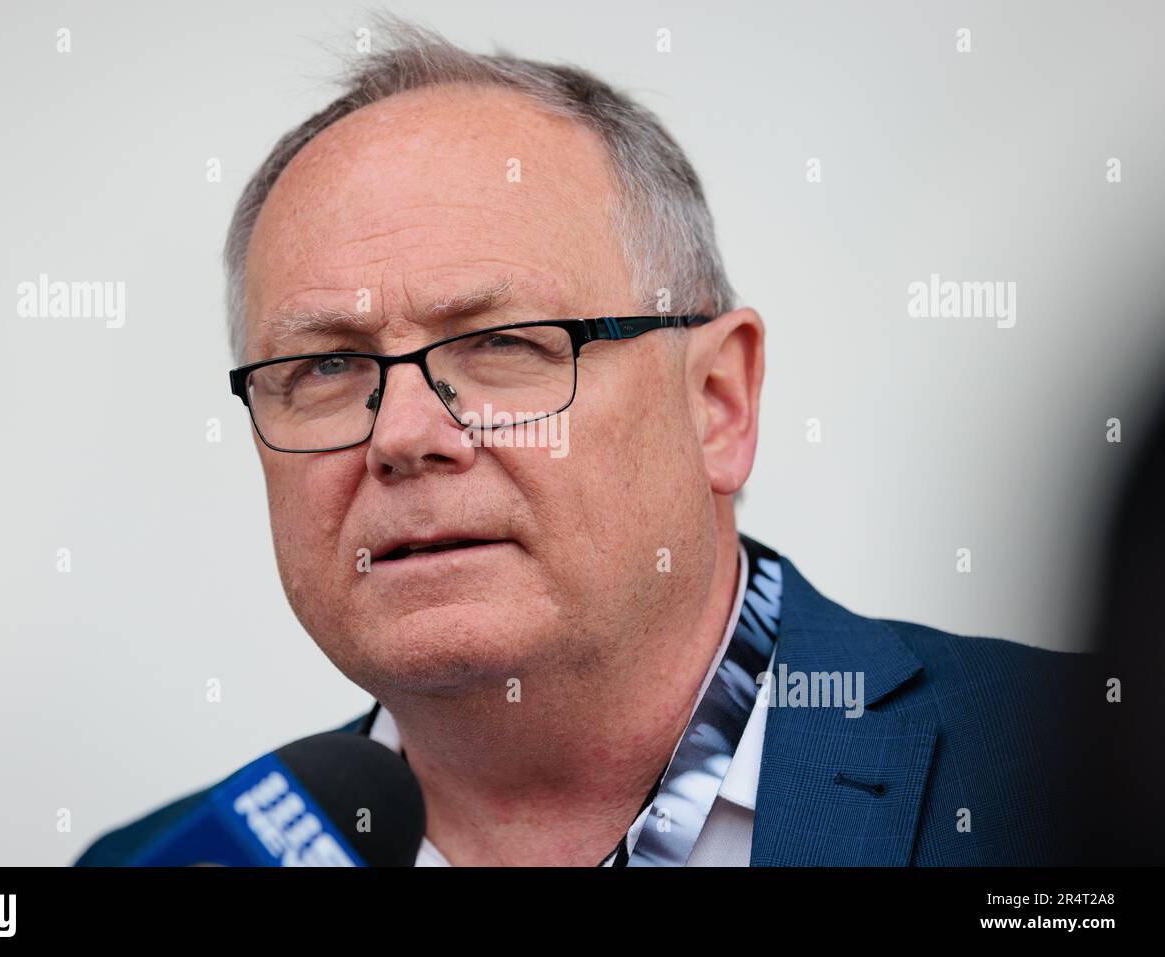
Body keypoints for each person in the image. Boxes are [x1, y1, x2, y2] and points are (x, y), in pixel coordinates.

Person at [76, 15, 1091, 867]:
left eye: (502, 344)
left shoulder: (1086, 775)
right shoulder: (153, 862)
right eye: (327, 366)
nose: (403, 434)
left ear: (719, 403)